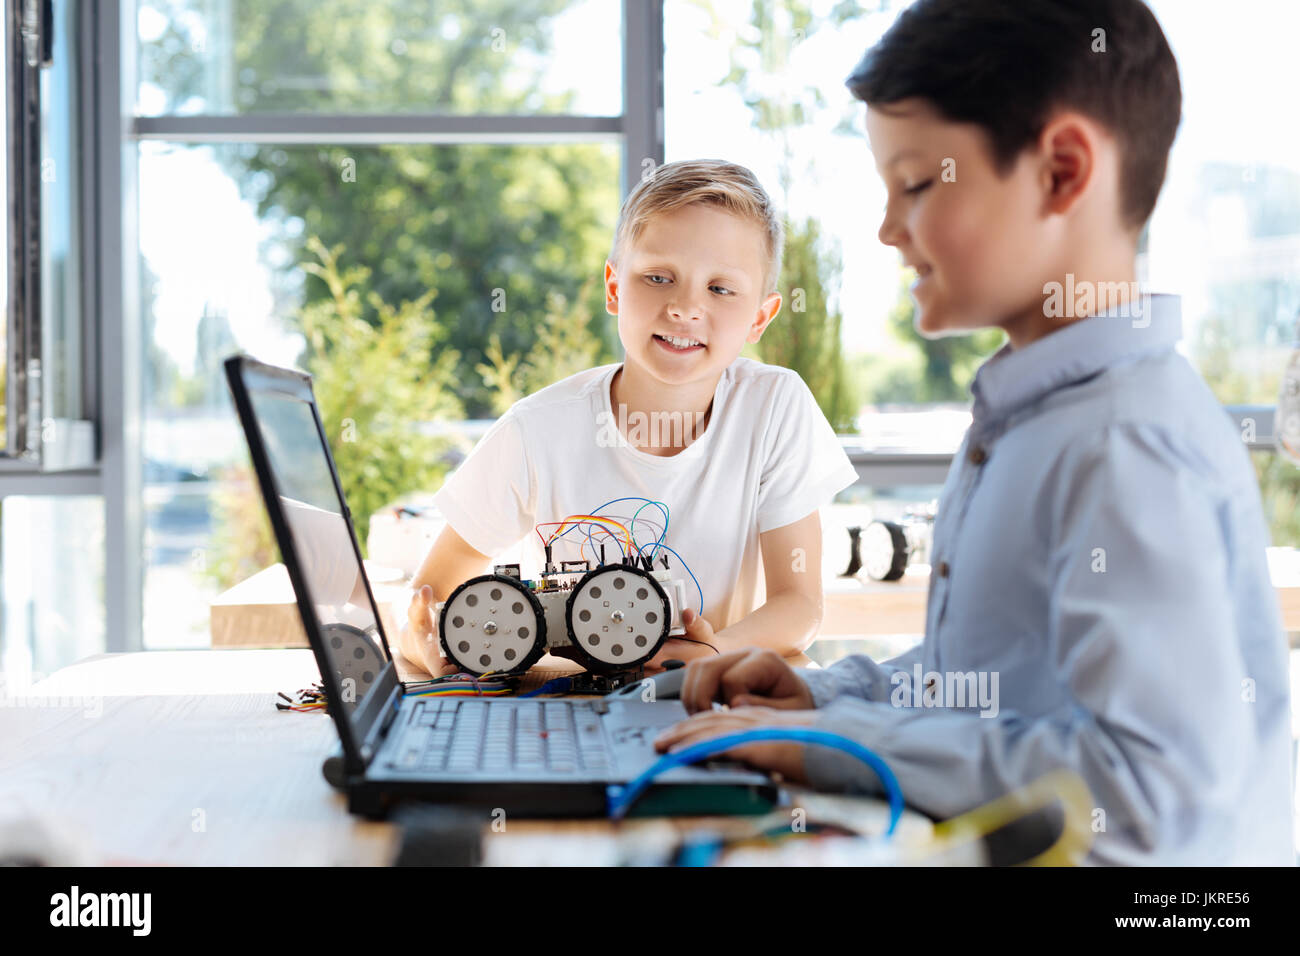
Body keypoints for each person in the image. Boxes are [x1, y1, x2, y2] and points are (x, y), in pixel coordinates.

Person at [655, 0, 1295, 865]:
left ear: (1062, 172)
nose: (887, 230)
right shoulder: (1040, 415)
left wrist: (845, 748)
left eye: (916, 185)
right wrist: (828, 698)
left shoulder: (1125, 443)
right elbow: (994, 680)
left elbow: (1148, 798)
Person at [397, 159, 858, 678]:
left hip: (710, 701)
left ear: (760, 316)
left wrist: (711, 651)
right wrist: (432, 647)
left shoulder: (774, 406)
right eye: (658, 277)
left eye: (720, 289)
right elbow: (424, 599)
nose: (685, 307)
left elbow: (800, 605)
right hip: (572, 712)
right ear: (615, 288)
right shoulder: (537, 430)